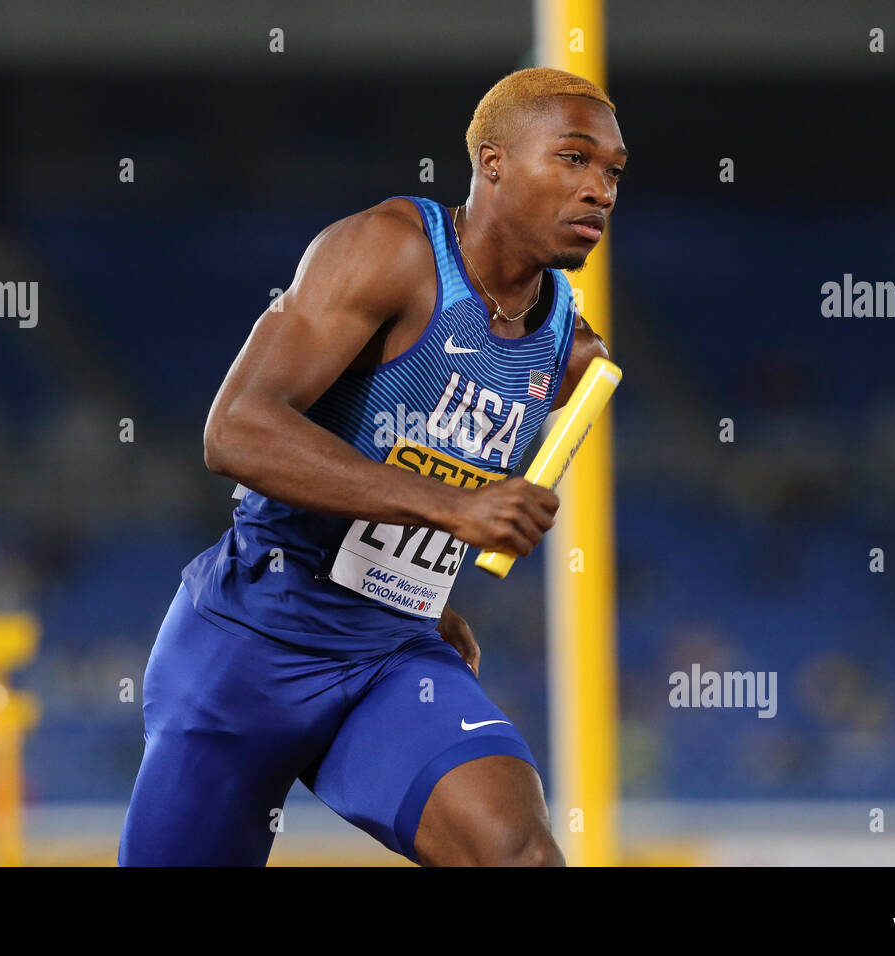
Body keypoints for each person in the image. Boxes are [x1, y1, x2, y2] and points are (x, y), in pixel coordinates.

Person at [119, 67, 623, 866]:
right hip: (252, 641)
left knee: (518, 854)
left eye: (611, 173)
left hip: (389, 655)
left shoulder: (573, 356)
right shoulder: (390, 251)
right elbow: (236, 430)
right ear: (492, 163)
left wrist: (427, 588)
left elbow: (432, 482)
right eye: (573, 159)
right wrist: (449, 512)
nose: (599, 189)